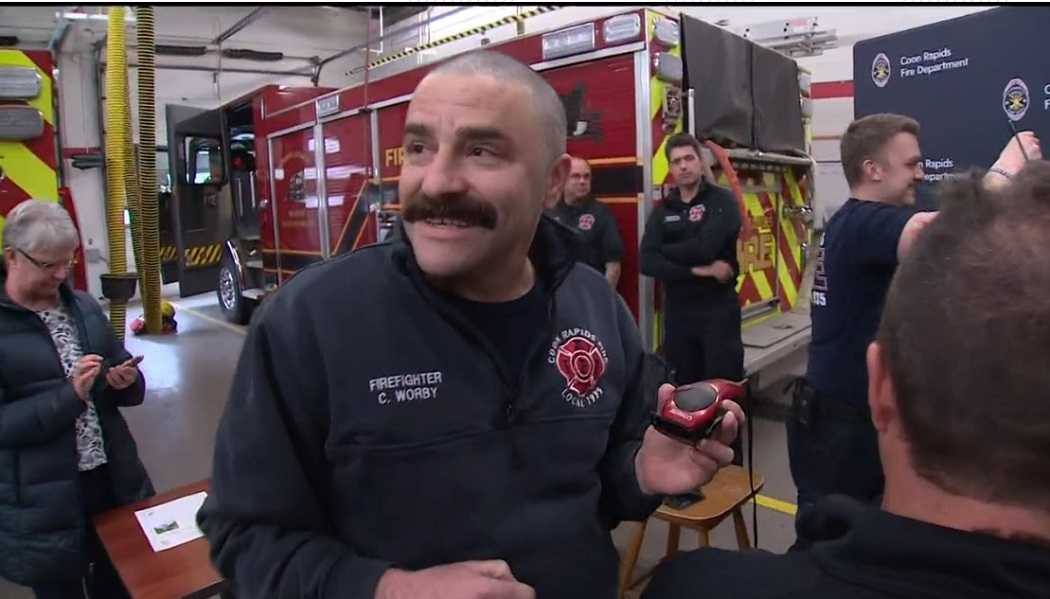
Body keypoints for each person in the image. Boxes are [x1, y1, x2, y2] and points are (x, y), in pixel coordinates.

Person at [197, 50, 744, 599]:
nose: (437, 181)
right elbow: (245, 534)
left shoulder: (598, 309)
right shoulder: (306, 323)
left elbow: (599, 486)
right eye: (418, 148)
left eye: (480, 151)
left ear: (552, 181)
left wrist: (642, 473)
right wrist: (388, 589)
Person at [640, 159, 1050, 599]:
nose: (915, 173)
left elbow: (680, 253)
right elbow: (653, 257)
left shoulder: (692, 587)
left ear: (880, 387)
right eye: (909, 161)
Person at [788, 112, 1042, 549]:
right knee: (828, 545)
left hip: (838, 418)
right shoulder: (864, 222)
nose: (920, 173)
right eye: (911, 164)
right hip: (841, 429)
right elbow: (941, 238)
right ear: (873, 170)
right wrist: (1006, 169)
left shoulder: (852, 225)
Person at [0, 199, 153, 599]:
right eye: (49, 266)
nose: (62, 275)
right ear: (12, 257)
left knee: (121, 583)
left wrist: (124, 380)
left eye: (68, 262)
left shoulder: (82, 305)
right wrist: (68, 396)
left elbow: (119, 370)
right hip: (42, 501)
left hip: (111, 480)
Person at [638, 133, 744, 465]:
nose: (683, 166)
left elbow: (706, 247)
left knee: (722, 389)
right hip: (680, 313)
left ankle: (730, 463)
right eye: (676, 161)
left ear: (700, 162)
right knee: (684, 389)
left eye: (689, 159)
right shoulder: (664, 209)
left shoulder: (722, 202)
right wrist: (700, 271)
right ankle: (689, 459)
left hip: (718, 313)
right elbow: (646, 261)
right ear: (670, 168)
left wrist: (669, 254)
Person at [546, 156, 624, 287]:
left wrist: (601, 300)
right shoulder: (548, 212)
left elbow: (613, 267)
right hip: (554, 293)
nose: (583, 181)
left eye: (586, 177)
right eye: (576, 176)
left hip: (587, 292)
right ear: (562, 179)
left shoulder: (601, 213)